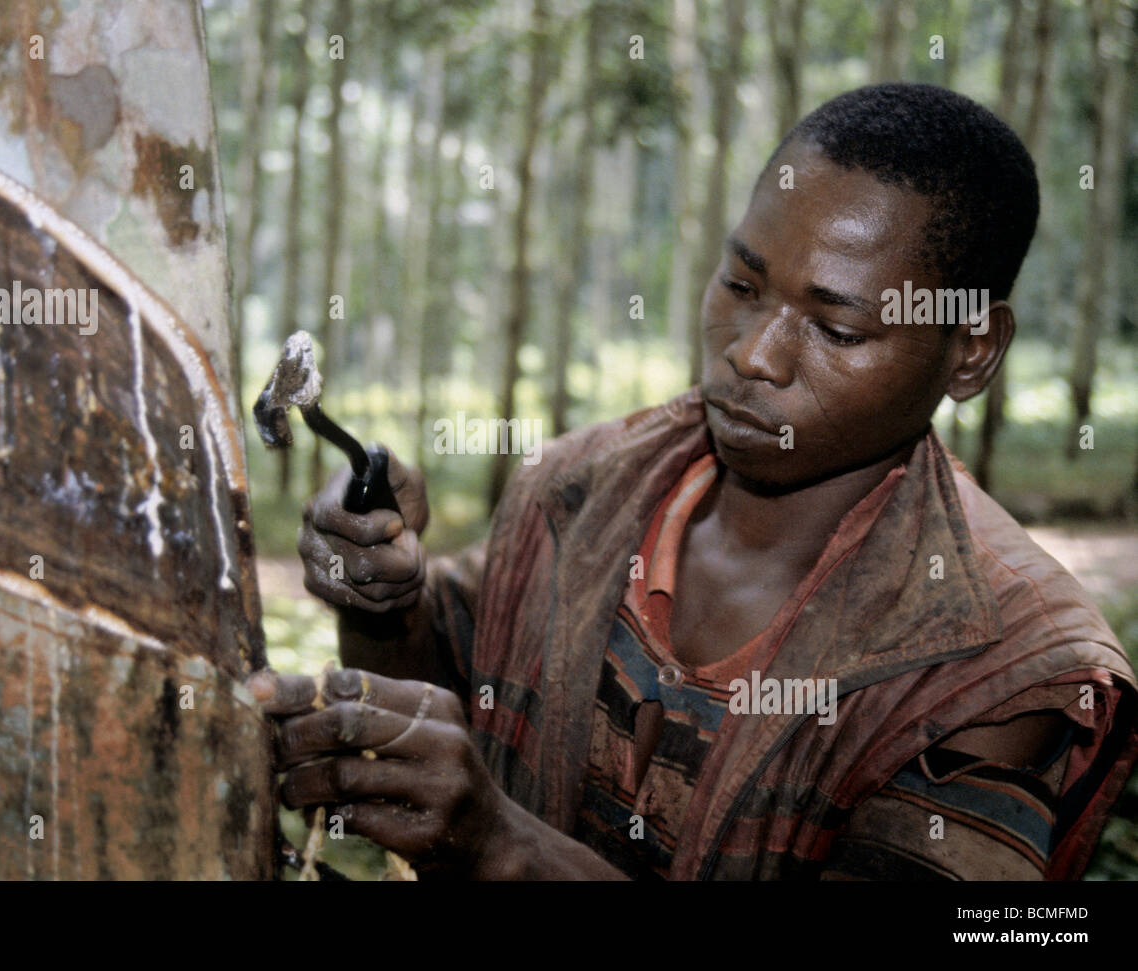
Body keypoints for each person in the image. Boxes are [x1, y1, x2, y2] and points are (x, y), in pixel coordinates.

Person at [248, 82, 1138, 880]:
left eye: (837, 330)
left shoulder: (1004, 667)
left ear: (971, 350)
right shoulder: (578, 487)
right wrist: (384, 600)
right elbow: (447, 673)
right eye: (743, 283)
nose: (754, 352)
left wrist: (506, 848)